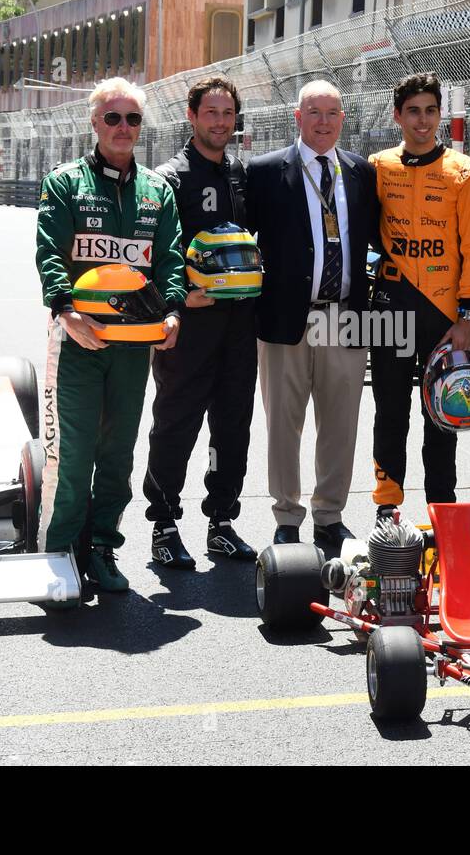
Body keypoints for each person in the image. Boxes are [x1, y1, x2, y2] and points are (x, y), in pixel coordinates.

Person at [35, 77, 187, 600]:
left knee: (118, 455)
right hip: (78, 341)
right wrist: (65, 308)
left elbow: (170, 259)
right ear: (95, 123)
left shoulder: (157, 191)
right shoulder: (64, 184)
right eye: (113, 118)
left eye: (133, 119)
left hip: (133, 347)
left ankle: (101, 548)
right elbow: (49, 251)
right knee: (71, 457)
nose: (123, 128)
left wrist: (172, 313)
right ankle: (59, 553)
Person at [244, 80, 380, 546]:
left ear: (343, 119)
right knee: (284, 422)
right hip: (286, 317)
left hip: (346, 314)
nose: (324, 121)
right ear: (297, 118)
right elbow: (241, 243)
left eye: (333, 113)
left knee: (341, 422)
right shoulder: (263, 171)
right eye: (315, 112)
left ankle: (329, 515)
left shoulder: (362, 173)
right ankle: (286, 516)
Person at [142, 76, 258, 569]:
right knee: (177, 422)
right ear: (191, 117)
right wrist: (178, 298)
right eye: (210, 112)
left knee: (233, 424)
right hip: (190, 326)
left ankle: (222, 522)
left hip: (238, 323)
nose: (220, 122)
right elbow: (146, 254)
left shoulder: (240, 174)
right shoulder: (169, 178)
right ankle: (165, 524)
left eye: (227, 113)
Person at [370, 73, 470, 522]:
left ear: (441, 114)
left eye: (431, 110)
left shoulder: (465, 171)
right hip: (389, 307)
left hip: (443, 313)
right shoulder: (378, 167)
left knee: (443, 411)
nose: (423, 120)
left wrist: (466, 315)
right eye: (413, 111)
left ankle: (442, 507)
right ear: (398, 115)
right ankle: (387, 505)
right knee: (389, 410)